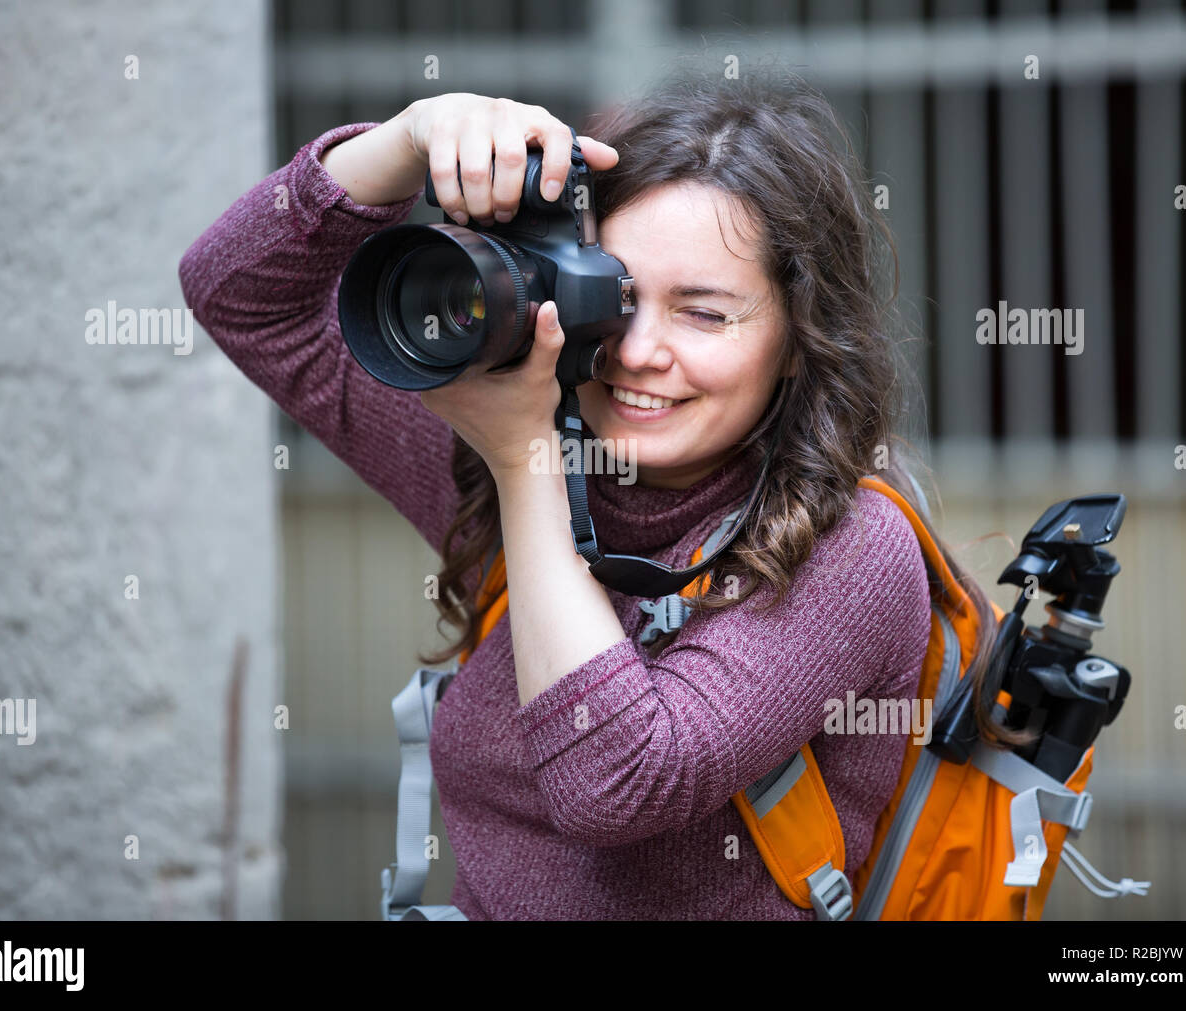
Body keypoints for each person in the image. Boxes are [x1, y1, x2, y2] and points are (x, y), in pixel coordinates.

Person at [179, 70, 1009, 920]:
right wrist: (405, 141)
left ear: (799, 340)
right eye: (613, 295)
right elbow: (237, 292)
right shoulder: (499, 447)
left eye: (705, 314)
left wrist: (527, 465)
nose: (639, 350)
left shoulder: (853, 547)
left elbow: (616, 784)